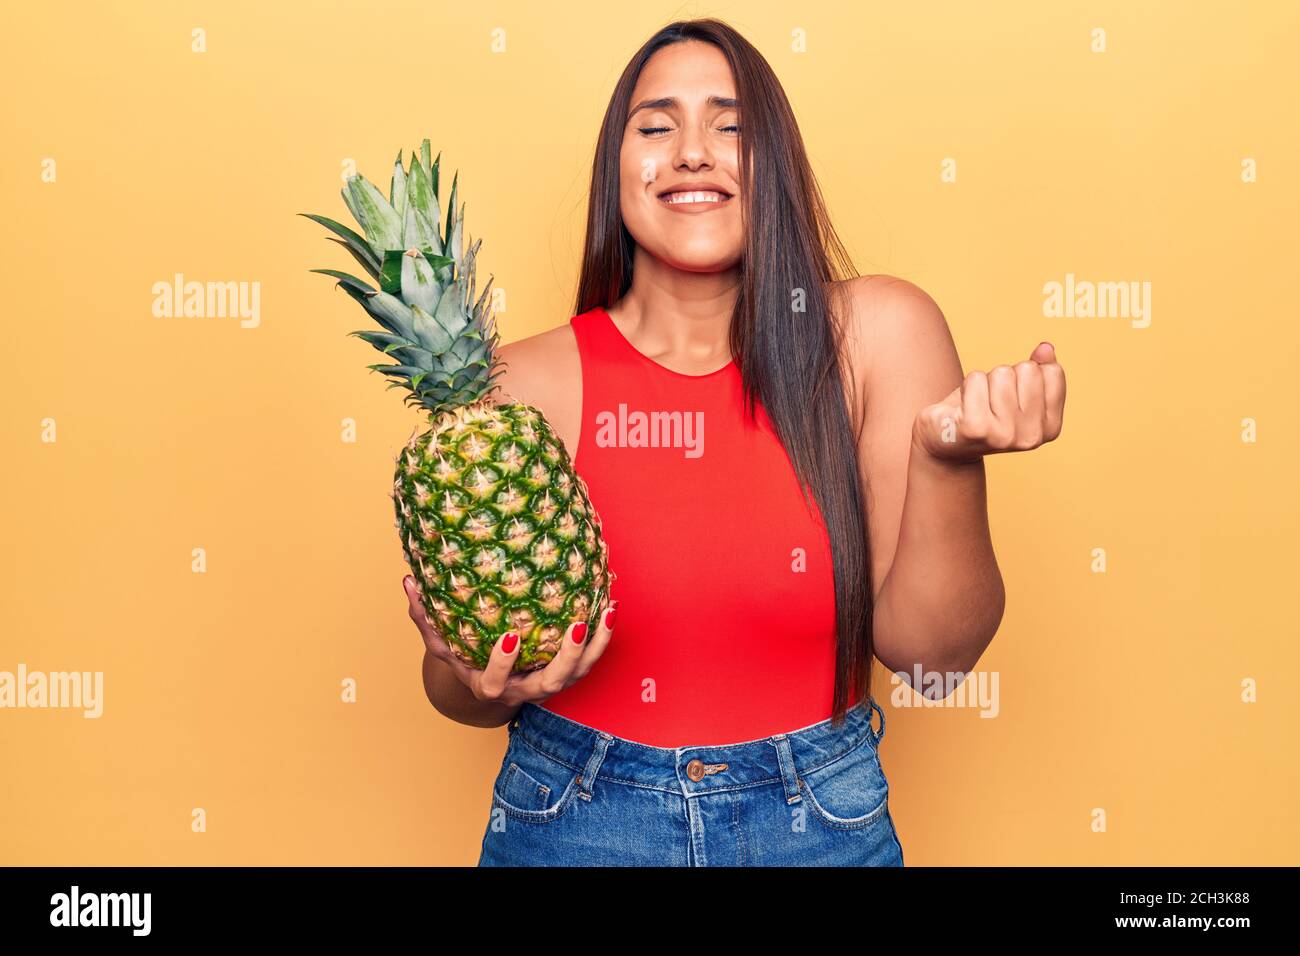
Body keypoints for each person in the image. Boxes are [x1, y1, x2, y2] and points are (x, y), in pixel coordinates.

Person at [402, 17, 1066, 866]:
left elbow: (935, 660)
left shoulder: (880, 334)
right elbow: (457, 694)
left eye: (730, 126)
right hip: (573, 819)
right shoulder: (516, 389)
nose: (691, 152)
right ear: (618, 169)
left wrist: (947, 460)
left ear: (776, 163)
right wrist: (473, 678)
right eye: (655, 126)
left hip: (817, 824)